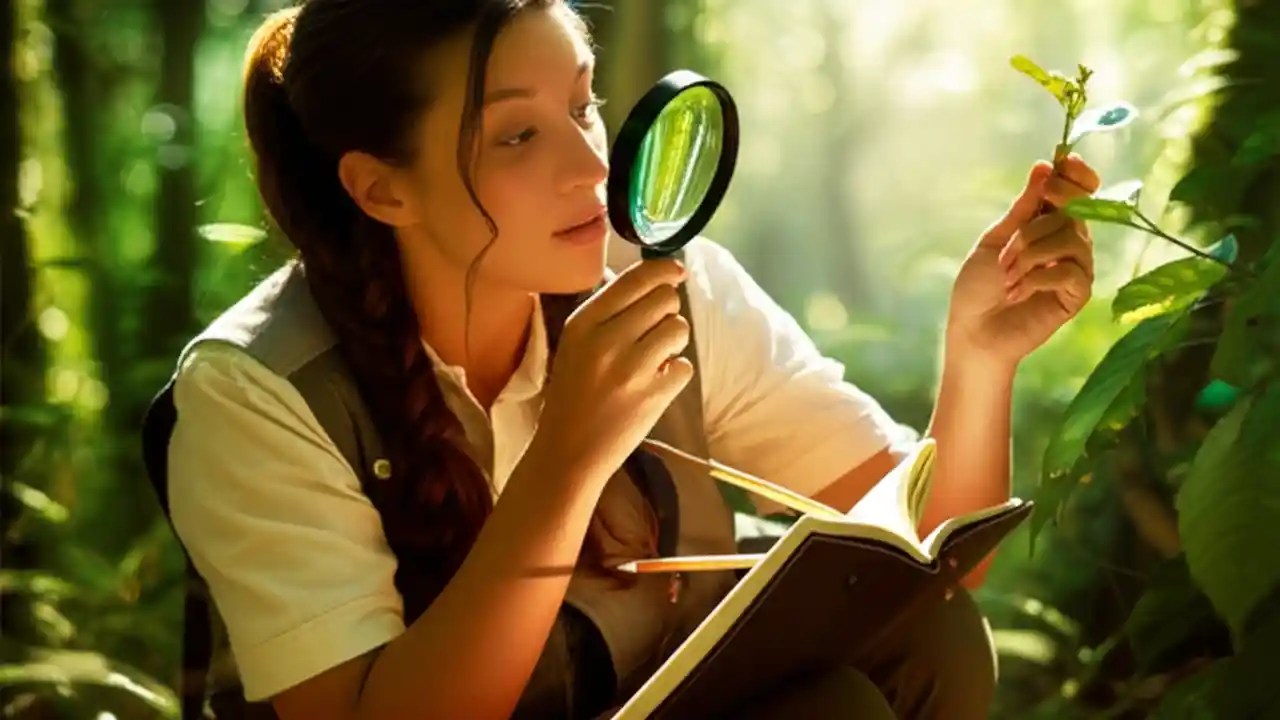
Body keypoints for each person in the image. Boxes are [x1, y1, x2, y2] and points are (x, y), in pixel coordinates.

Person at [146, 1, 1101, 718]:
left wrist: (979, 356)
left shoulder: (667, 288)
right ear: (381, 189)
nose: (590, 166)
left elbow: (928, 553)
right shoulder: (256, 390)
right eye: (519, 133)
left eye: (583, 105)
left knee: (928, 637)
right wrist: (569, 456)